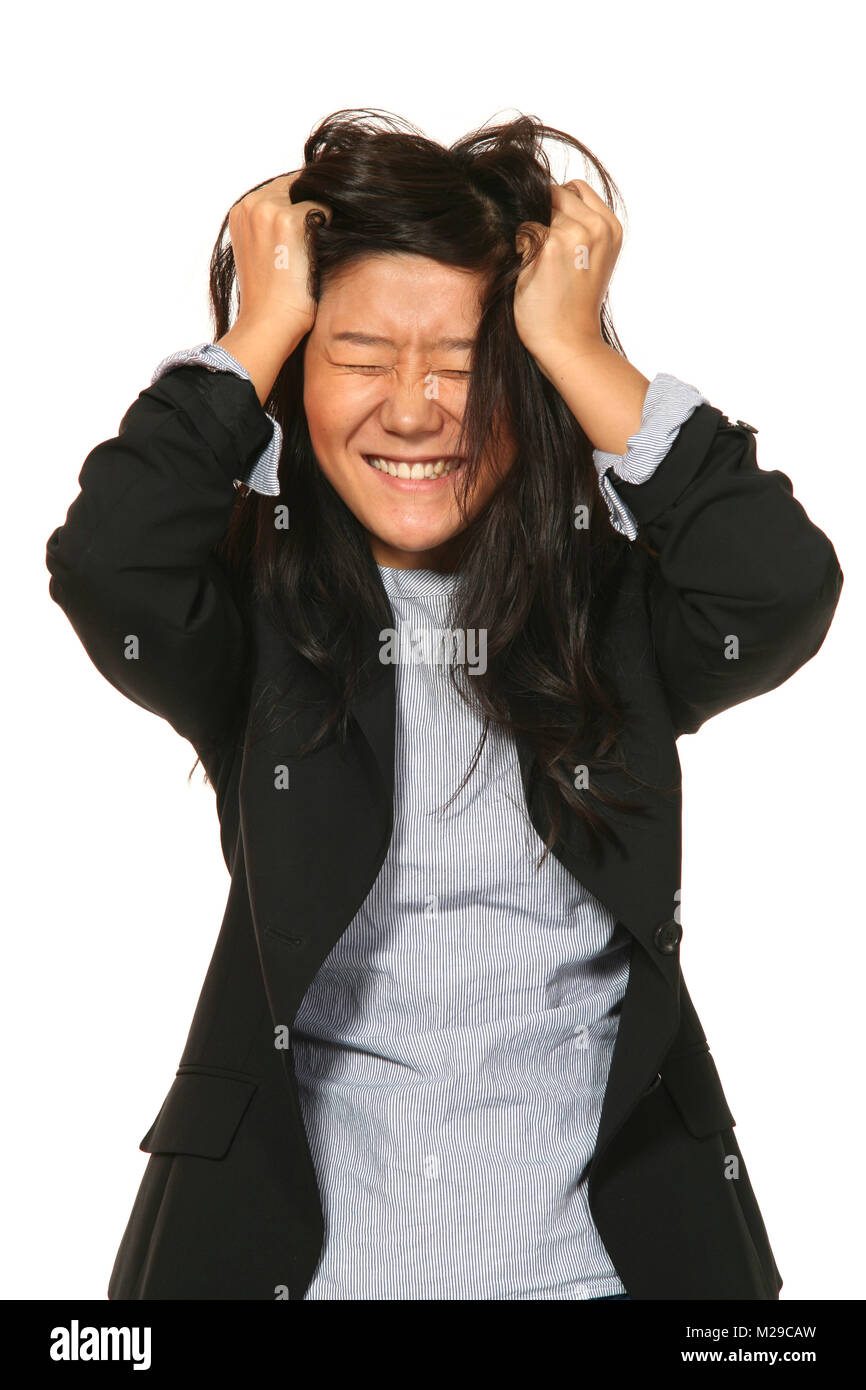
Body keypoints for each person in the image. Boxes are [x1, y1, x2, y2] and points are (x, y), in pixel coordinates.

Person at [45, 109, 843, 1300]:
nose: (413, 410)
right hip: (304, 1271)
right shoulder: (256, 620)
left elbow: (777, 585)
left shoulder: (609, 614)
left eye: (464, 366)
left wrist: (580, 350)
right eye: (359, 357)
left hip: (605, 1271)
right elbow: (108, 566)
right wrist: (253, 329)